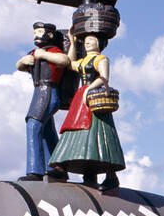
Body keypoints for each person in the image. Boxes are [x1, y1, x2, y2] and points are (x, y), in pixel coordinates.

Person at [50, 31, 124, 190]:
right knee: (73, 130)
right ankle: (65, 167)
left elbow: (104, 77)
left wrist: (88, 89)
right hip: (81, 99)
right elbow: (69, 63)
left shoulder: (101, 59)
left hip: (93, 97)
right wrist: (72, 42)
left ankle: (111, 176)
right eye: (86, 41)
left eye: (92, 40)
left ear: (100, 43)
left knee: (98, 133)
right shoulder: (84, 60)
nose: (88, 42)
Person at [15, 22, 71, 181]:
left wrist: (43, 55)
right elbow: (19, 66)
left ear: (50, 35)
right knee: (46, 130)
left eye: (39, 32)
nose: (36, 36)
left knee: (34, 124)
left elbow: (64, 60)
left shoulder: (51, 51)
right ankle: (57, 166)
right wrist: (23, 61)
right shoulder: (35, 52)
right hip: (39, 91)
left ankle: (35, 170)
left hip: (48, 90)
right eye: (35, 33)